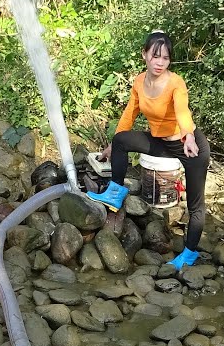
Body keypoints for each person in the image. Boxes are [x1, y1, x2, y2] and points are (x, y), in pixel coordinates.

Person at [87, 31, 211, 270]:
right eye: (155, 56)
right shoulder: (139, 82)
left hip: (190, 147)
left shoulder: (176, 83)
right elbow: (129, 114)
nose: (159, 62)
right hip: (161, 142)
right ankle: (114, 193)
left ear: (169, 61)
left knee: (196, 204)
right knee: (122, 140)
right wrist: (114, 145)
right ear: (145, 55)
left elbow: (183, 110)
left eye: (165, 58)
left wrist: (188, 136)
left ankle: (189, 253)